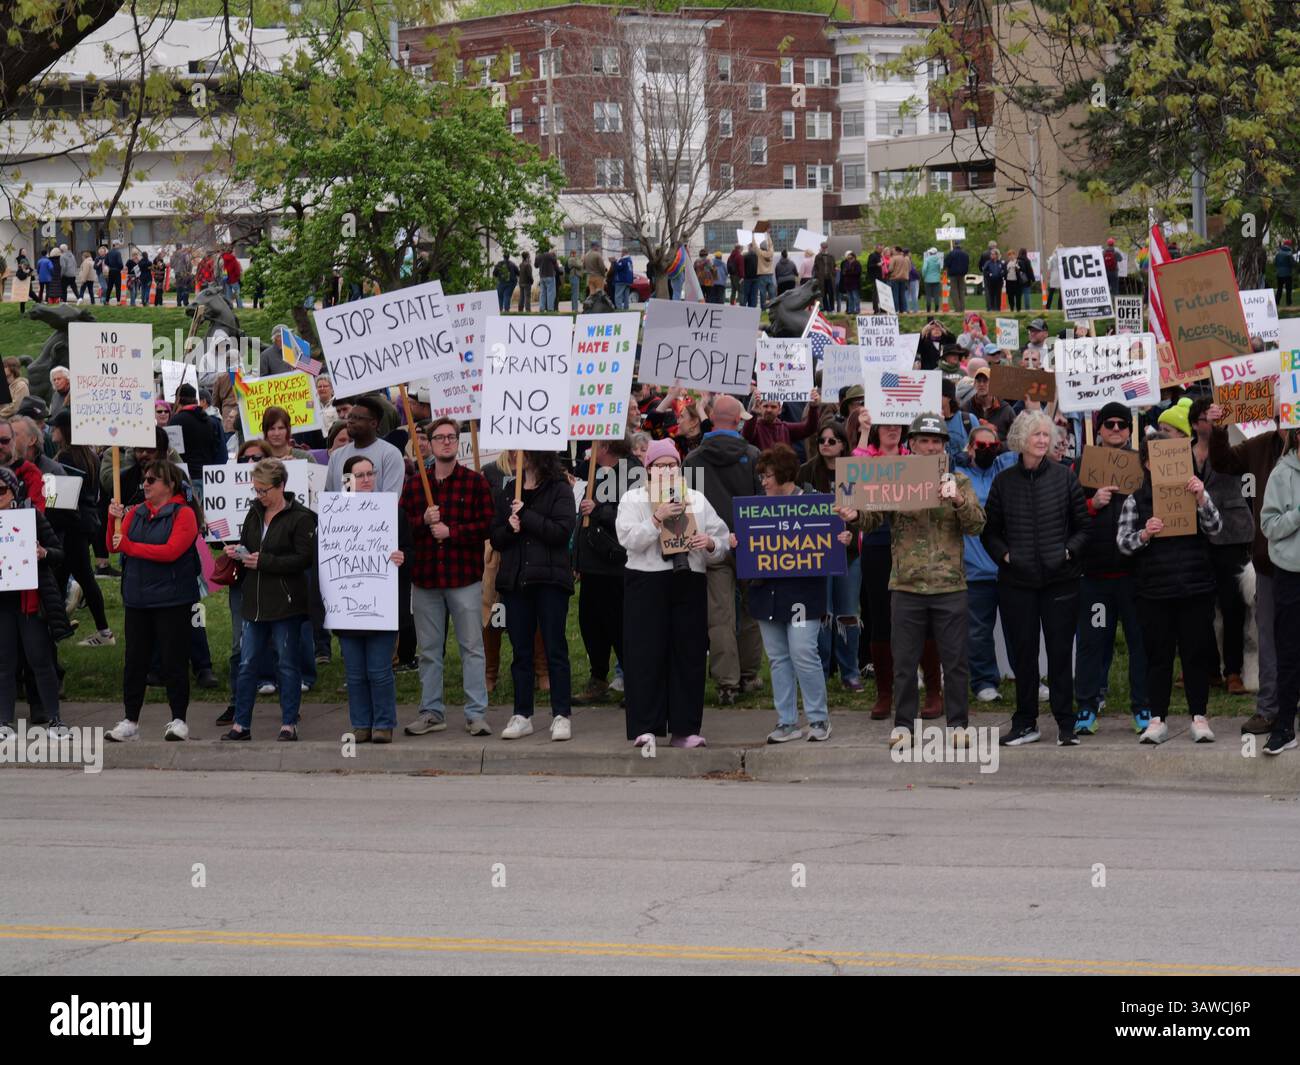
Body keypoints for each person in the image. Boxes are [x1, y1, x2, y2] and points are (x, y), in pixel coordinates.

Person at [841, 414, 985, 741]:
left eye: (936, 442)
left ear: (945, 447)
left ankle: (959, 725)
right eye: (924, 441)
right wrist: (854, 514)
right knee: (904, 662)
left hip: (950, 584)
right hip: (906, 584)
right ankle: (904, 725)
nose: (930, 447)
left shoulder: (959, 480)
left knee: (956, 661)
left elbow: (977, 524)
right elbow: (872, 517)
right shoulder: (897, 478)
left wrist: (959, 500)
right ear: (913, 445)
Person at [981, 410, 1089, 746]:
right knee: (1023, 656)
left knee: (1059, 655)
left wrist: (1068, 552)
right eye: (1036, 435)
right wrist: (1006, 555)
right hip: (1017, 583)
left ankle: (1065, 725)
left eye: (1047, 435)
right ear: (1021, 439)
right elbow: (990, 532)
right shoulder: (1003, 482)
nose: (1043, 440)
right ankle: (1025, 722)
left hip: (1061, 581)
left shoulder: (1065, 477)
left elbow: (1083, 527)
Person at [617, 437, 729, 747]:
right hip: (646, 579)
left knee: (688, 653)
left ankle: (684, 728)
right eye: (660, 466)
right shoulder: (633, 499)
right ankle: (646, 726)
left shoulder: (696, 499)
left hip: (688, 580)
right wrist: (656, 519)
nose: (667, 471)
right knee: (645, 653)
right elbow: (628, 539)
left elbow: (719, 545)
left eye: (672, 465)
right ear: (648, 468)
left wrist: (709, 543)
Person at [1116, 435, 1222, 744]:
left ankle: (1199, 717)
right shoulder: (1136, 499)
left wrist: (1202, 498)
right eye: (1159, 458)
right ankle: (1157, 718)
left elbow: (1216, 528)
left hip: (1195, 587)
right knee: (1157, 658)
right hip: (1154, 592)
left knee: (1195, 656)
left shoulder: (1194, 490)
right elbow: (1123, 542)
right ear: (1148, 464)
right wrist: (1145, 534)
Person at [400, 418, 495, 737]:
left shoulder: (474, 482)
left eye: (451, 437)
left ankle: (476, 712)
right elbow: (400, 529)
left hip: (464, 577)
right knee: (428, 650)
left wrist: (451, 532)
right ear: (427, 442)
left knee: (471, 647)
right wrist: (421, 520)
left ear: (458, 442)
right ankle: (431, 711)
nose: (445, 442)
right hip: (426, 578)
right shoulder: (415, 486)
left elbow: (488, 525)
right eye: (439, 437)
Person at [739, 445, 832, 742]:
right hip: (767, 594)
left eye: (767, 476)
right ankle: (787, 722)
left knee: (803, 652)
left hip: (803, 594)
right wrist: (735, 540)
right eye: (761, 477)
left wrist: (841, 534)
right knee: (778, 658)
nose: (763, 482)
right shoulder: (754, 509)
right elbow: (747, 547)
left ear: (784, 474)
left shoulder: (816, 503)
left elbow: (836, 541)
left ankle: (818, 719)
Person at [104, 461, 200, 742]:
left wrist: (130, 547)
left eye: (152, 480)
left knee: (174, 661)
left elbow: (171, 551)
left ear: (169, 485)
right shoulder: (135, 513)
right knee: (134, 662)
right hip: (137, 599)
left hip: (172, 600)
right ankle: (130, 719)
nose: (145, 484)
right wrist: (113, 518)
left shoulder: (184, 515)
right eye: (145, 480)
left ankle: (179, 719)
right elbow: (112, 544)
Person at [222, 458, 317, 741]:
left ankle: (289, 723)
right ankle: (241, 724)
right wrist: (238, 552)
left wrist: (265, 561)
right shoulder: (254, 512)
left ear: (281, 486)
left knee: (287, 664)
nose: (259, 496)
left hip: (286, 602)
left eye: (264, 490)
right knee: (248, 662)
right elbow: (249, 544)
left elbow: (304, 558)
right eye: (256, 490)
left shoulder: (301, 517)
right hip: (254, 599)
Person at [1072, 403, 1150, 735]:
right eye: (1109, 424)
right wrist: (1092, 504)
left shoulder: (1143, 468)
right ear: (1099, 429)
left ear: (1130, 430)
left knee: (1140, 643)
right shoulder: (1081, 467)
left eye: (1121, 424)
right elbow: (1066, 514)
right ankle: (1087, 707)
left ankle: (1143, 707)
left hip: (1135, 575)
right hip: (1095, 575)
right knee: (1092, 643)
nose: (1116, 429)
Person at [489, 450, 576, 740]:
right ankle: (522, 713)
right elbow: (496, 538)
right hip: (516, 581)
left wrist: (525, 515)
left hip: (550, 580)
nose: (515, 455)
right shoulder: (507, 492)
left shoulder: (559, 489)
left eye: (521, 450)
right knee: (520, 651)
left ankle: (561, 713)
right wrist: (510, 529)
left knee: (554, 647)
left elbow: (560, 533)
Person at [682, 395, 764, 704]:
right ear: (738, 420)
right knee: (750, 610)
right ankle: (749, 674)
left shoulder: (692, 460)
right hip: (748, 544)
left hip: (710, 545)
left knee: (719, 616)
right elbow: (761, 502)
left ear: (712, 418)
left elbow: (687, 506)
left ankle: (726, 683)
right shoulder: (753, 455)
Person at [332, 455, 407, 743]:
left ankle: (384, 724)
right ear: (347, 479)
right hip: (347, 606)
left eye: (369, 474)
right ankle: (361, 723)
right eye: (359, 475)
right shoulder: (334, 513)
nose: (365, 479)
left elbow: (409, 548)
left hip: (380, 605)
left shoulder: (393, 512)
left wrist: (403, 556)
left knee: (379, 670)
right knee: (355, 673)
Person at [1188, 397, 1253, 696]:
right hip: (1195, 537)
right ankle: (1210, 668)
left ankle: (1234, 671)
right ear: (1193, 424)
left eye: (1213, 416)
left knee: (1232, 606)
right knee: (1199, 606)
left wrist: (1223, 427)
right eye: (1204, 417)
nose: (1210, 421)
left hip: (1230, 535)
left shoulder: (1230, 447)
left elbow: (1229, 460)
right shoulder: (1180, 454)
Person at [0, 466, 66, 738]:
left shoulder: (31, 516)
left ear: (14, 491)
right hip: (2, 604)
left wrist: (43, 552)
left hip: (29, 601)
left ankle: (55, 720)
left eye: (1, 490)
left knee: (40, 659)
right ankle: (4, 722)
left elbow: (59, 553)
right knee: (4, 663)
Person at [797, 420, 863, 691]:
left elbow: (865, 511)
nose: (825, 444)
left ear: (843, 444)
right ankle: (821, 671)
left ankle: (850, 672)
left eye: (832, 440)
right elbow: (798, 512)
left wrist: (852, 529)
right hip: (816, 554)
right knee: (822, 615)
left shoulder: (855, 472)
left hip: (848, 554)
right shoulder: (805, 472)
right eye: (822, 440)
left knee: (847, 613)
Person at [574, 437, 634, 704]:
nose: (591, 450)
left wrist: (598, 510)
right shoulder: (597, 473)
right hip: (593, 566)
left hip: (616, 566)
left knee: (620, 626)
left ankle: (634, 682)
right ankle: (598, 679)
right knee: (591, 625)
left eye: (595, 444)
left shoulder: (632, 473)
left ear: (606, 446)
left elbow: (631, 514)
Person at [47, 410, 113, 646]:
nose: (52, 431)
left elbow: (58, 500)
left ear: (64, 430)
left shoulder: (65, 458)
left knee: (83, 577)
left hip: (70, 525)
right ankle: (57, 627)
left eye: (55, 427)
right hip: (85, 522)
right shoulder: (89, 455)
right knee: (62, 576)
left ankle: (104, 632)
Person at [1260, 428, 1300, 755]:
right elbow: (1269, 525)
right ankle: (1285, 726)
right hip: (1290, 574)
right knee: (1289, 653)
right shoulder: (1281, 473)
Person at [324, 396, 404, 494]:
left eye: (357, 418)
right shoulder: (336, 456)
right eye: (350, 416)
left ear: (373, 423)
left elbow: (390, 498)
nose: (350, 421)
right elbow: (329, 495)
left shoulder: (390, 454)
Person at [168, 383, 225, 481]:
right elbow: (220, 452)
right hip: (209, 478)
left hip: (187, 479)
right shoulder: (211, 421)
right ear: (196, 400)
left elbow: (173, 454)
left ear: (178, 400)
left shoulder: (176, 421)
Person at [744, 388, 822, 451]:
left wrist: (813, 408)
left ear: (780, 410)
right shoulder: (755, 426)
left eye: (773, 407)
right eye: (765, 406)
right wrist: (753, 413)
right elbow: (746, 437)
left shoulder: (785, 428)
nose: (769, 410)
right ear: (760, 407)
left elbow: (809, 428)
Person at [963, 365, 1016, 439]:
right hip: (975, 449)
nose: (981, 384)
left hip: (999, 450)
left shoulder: (1006, 410)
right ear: (974, 384)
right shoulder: (966, 408)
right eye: (979, 381)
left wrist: (998, 446)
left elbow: (1015, 439)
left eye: (985, 381)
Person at [813, 242, 837, 312]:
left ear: (827, 247)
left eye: (825, 247)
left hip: (830, 278)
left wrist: (833, 273)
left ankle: (832, 308)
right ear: (821, 247)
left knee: (831, 293)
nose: (823, 248)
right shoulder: (818, 257)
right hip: (822, 278)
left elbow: (834, 266)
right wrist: (818, 275)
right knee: (823, 293)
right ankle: (826, 308)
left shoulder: (831, 256)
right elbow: (815, 267)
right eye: (822, 247)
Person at [536, 244, 559, 311]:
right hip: (550, 275)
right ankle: (550, 308)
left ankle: (542, 308)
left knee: (542, 293)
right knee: (550, 293)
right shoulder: (550, 255)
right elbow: (555, 262)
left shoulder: (539, 255)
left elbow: (536, 265)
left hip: (542, 276)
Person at [888, 245, 911, 312]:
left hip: (895, 278)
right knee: (902, 295)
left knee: (895, 294)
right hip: (904, 278)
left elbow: (890, 269)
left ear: (897, 251)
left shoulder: (894, 258)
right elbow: (909, 269)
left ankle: (896, 310)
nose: (892, 252)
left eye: (893, 250)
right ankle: (903, 310)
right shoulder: (907, 258)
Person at [921, 247, 943, 312]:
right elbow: (939, 270)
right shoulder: (939, 260)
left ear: (930, 253)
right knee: (936, 295)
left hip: (928, 279)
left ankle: (928, 309)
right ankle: (936, 308)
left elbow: (924, 269)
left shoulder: (927, 259)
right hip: (936, 279)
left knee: (928, 295)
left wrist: (924, 276)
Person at [1275, 239, 1294, 308]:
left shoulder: (1278, 253)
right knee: (1288, 289)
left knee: (1279, 288)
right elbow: (1292, 263)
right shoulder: (1289, 253)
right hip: (1287, 273)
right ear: (1289, 245)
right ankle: (1288, 303)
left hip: (1279, 273)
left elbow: (1276, 263)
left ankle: (1277, 301)